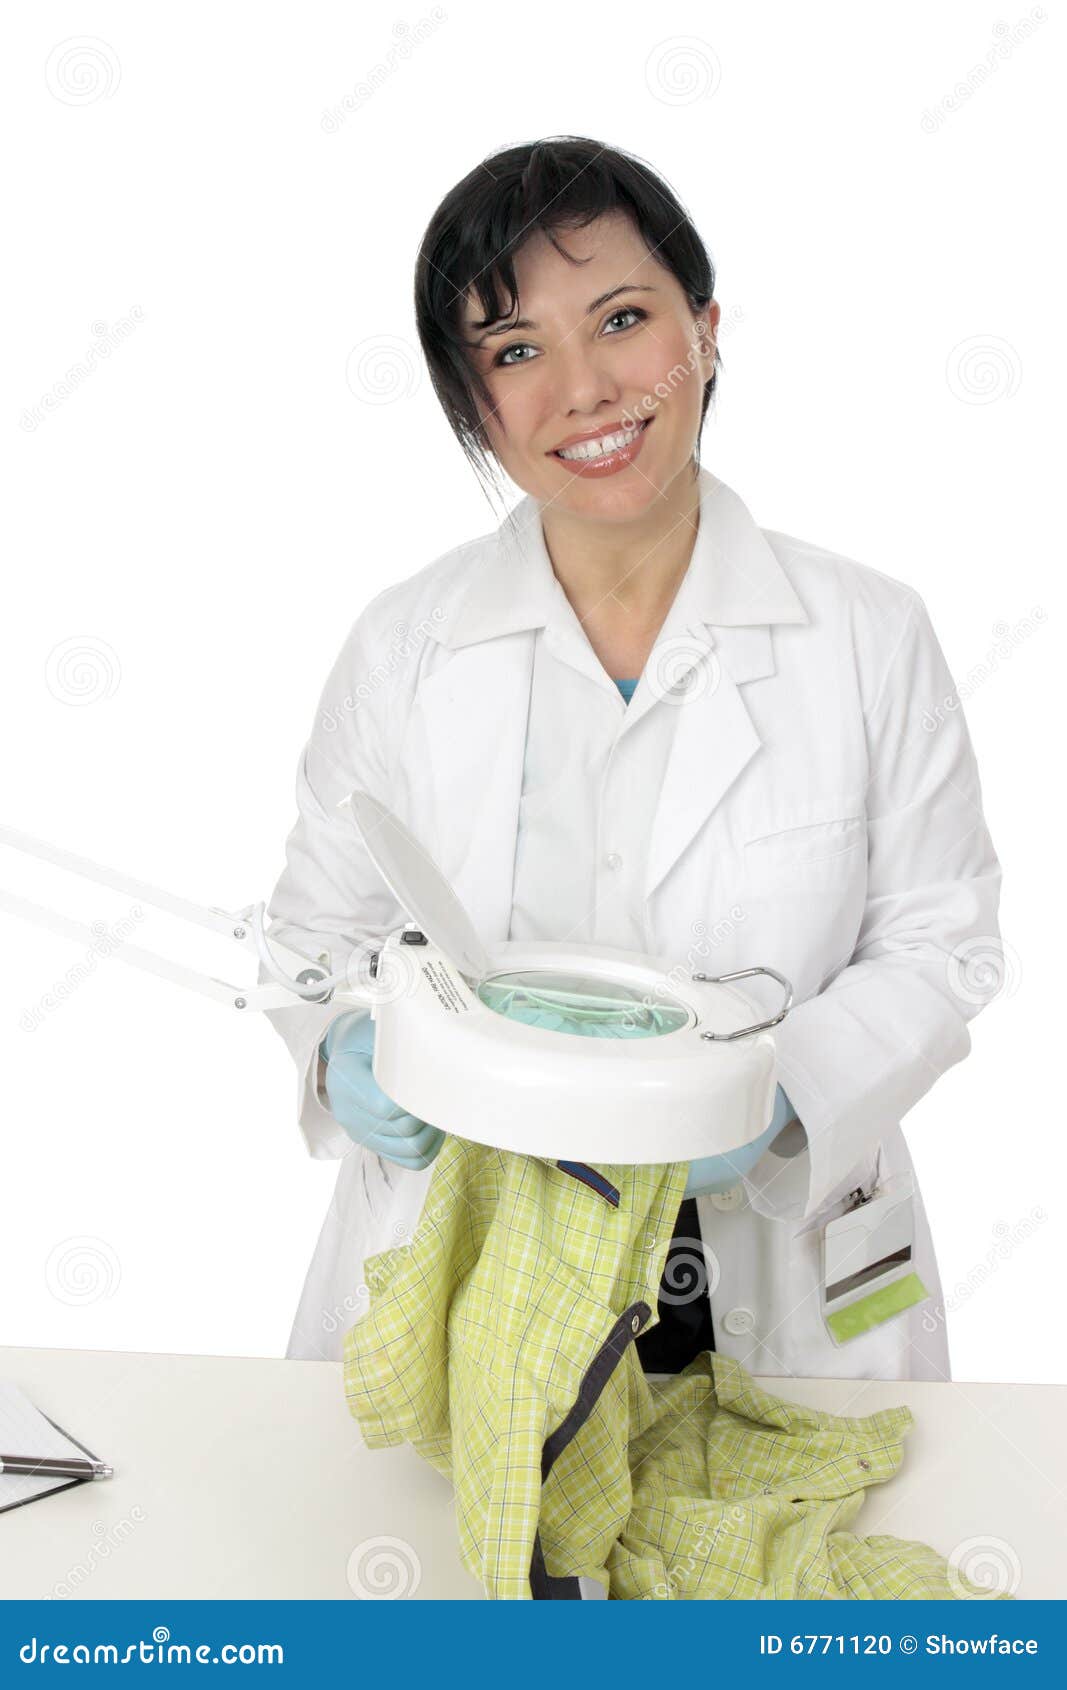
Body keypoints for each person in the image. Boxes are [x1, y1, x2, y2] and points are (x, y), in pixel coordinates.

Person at [260, 136, 1002, 1382]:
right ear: (471, 405)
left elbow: (943, 941)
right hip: (468, 1256)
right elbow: (311, 941)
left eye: (620, 318)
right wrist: (345, 1050)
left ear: (704, 330)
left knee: (816, 1548)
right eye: (514, 351)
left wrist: (783, 1097)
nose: (585, 388)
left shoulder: (866, 635)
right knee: (426, 1556)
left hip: (781, 1257)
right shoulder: (406, 646)